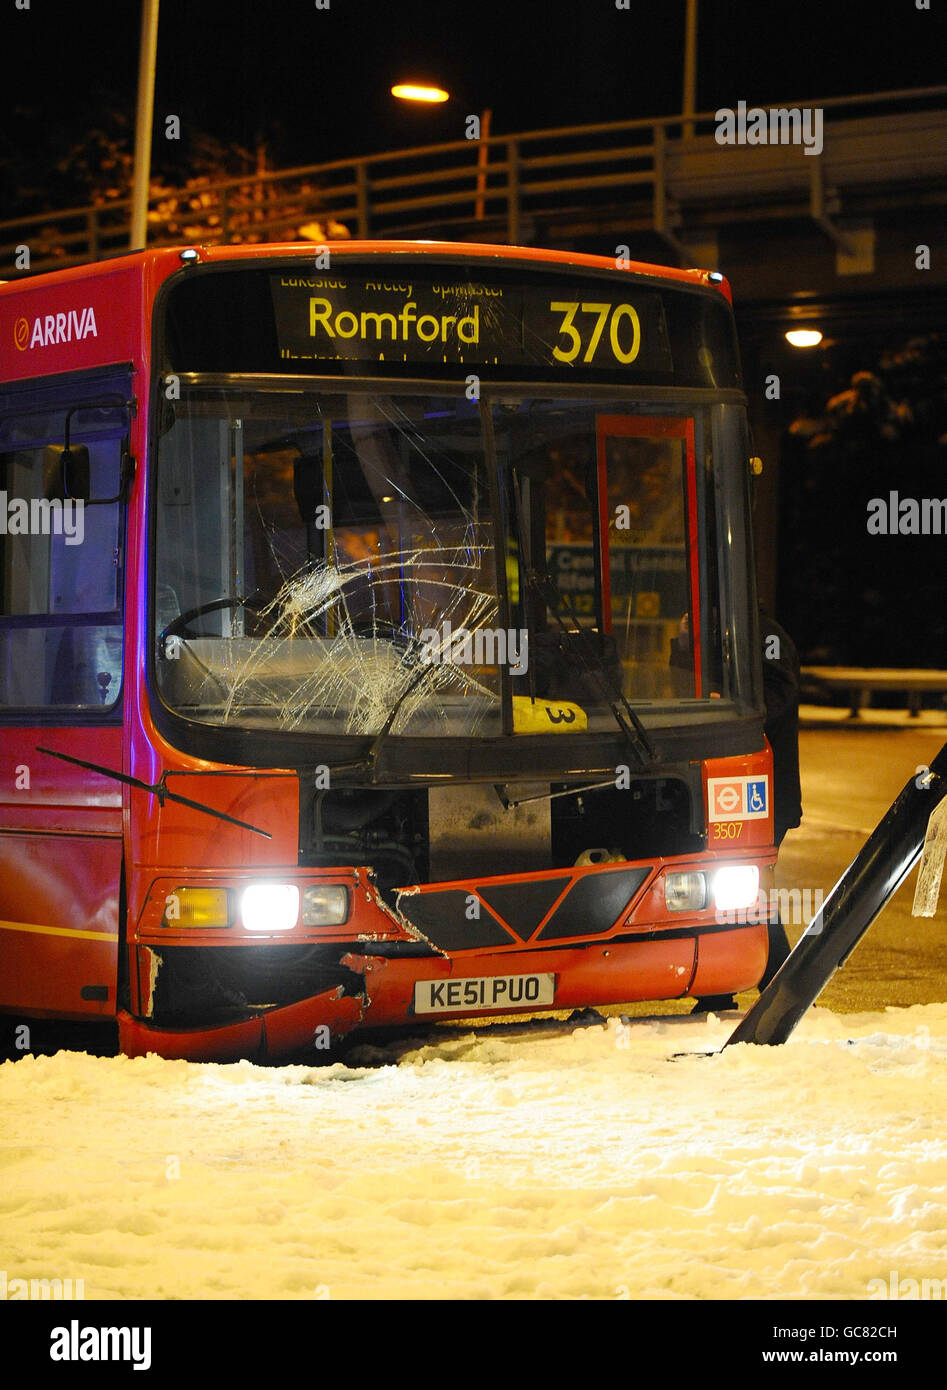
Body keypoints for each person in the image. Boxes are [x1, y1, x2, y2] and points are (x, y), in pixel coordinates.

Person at [692, 607, 802, 1012]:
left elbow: (780, 695)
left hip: (762, 790)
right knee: (732, 890)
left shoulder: (766, 634)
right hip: (724, 789)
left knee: (749, 891)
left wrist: (730, 707)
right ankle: (737, 990)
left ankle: (781, 988)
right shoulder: (707, 631)